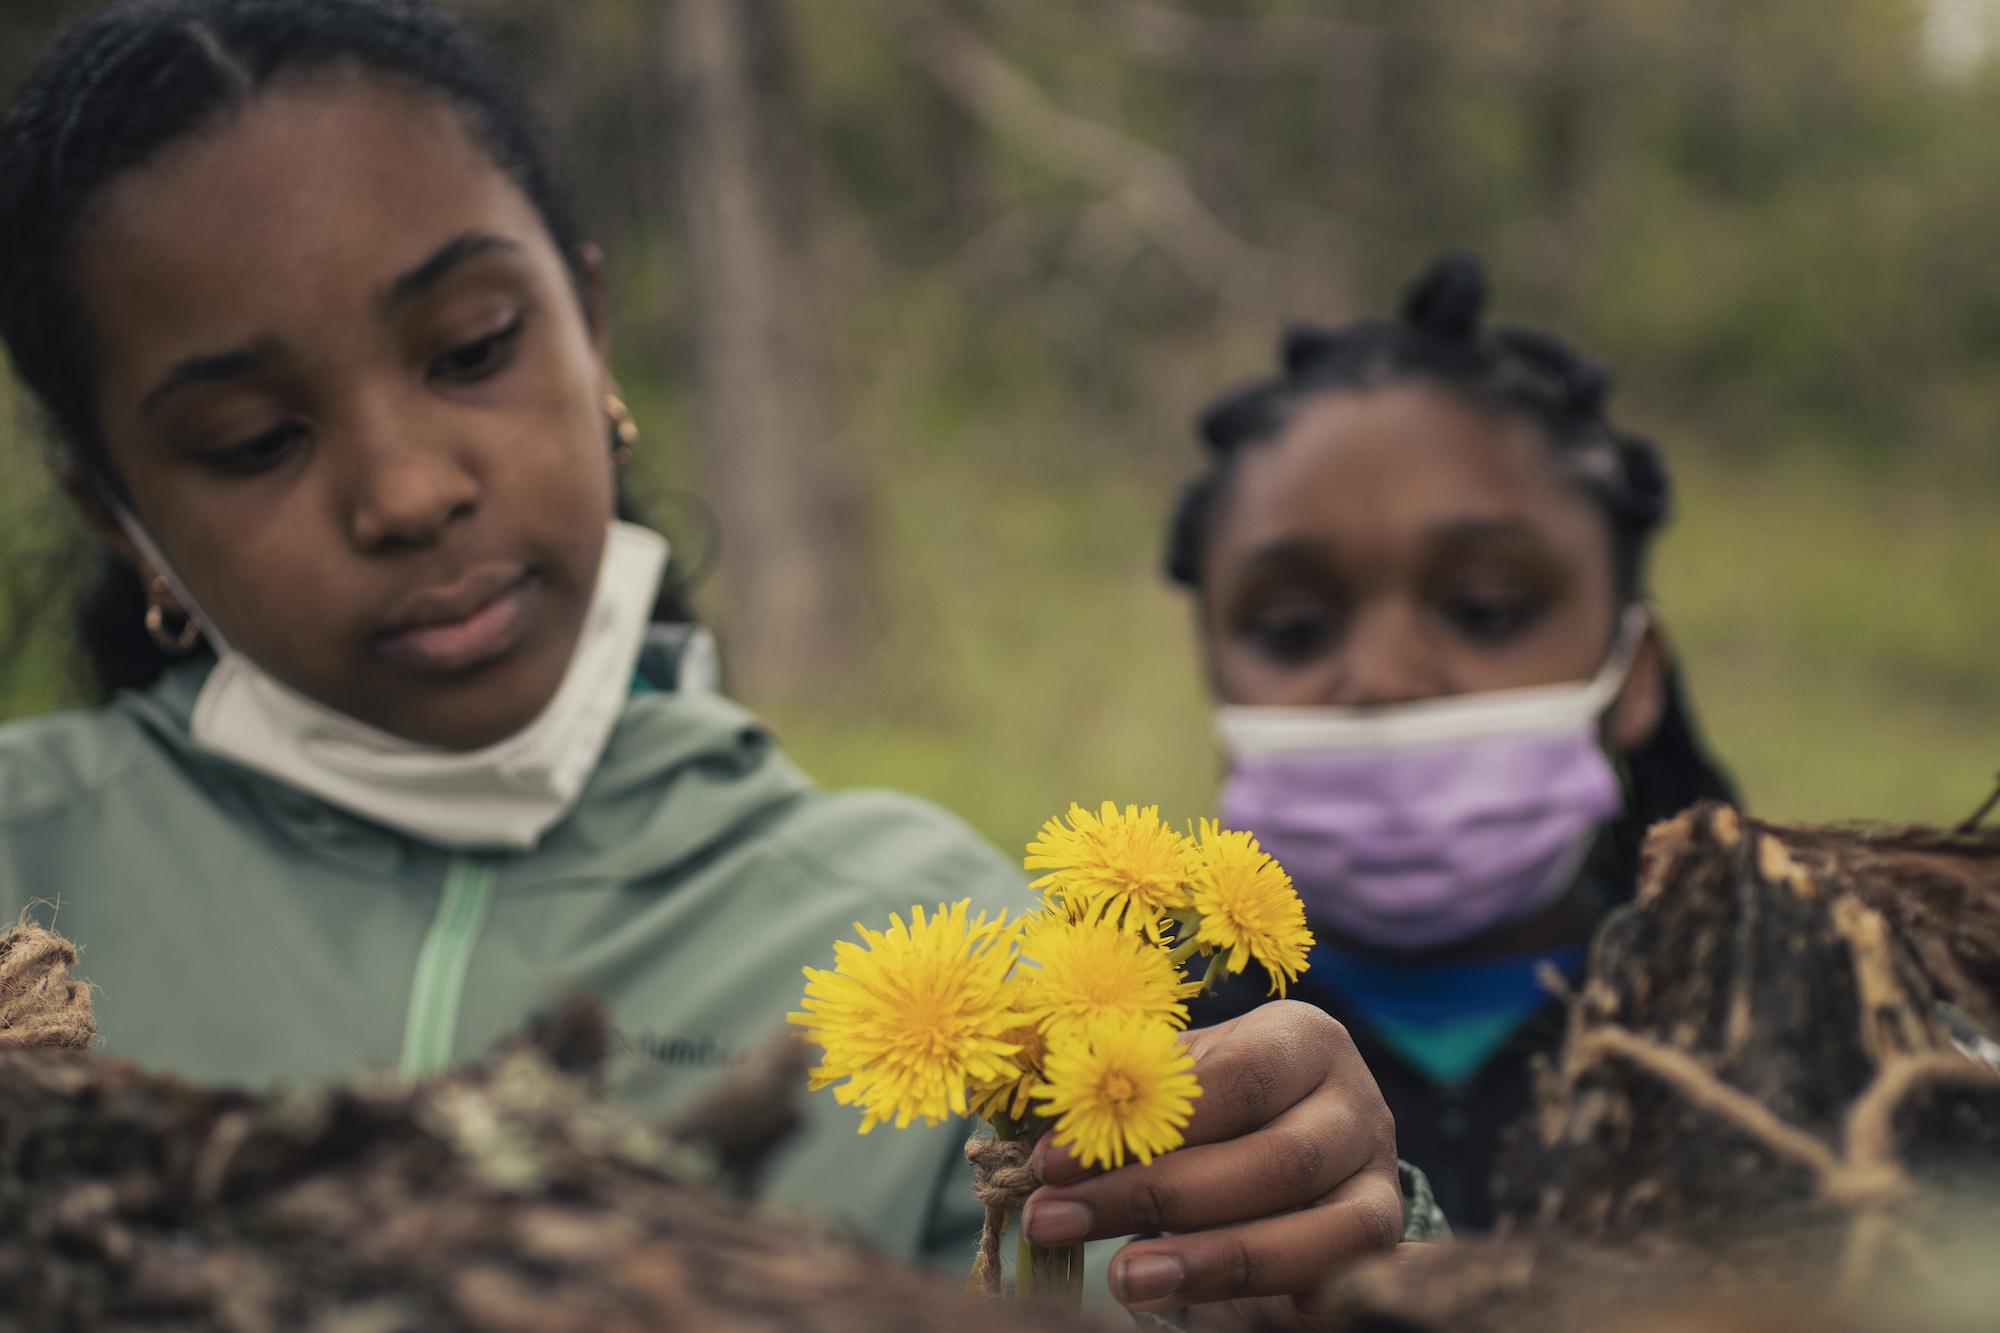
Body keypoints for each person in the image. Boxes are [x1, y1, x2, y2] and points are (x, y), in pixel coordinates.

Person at [0, 0, 1417, 1319]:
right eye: (254, 440)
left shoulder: (945, 936)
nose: (410, 491)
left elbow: (1163, 1279)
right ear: (118, 515)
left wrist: (1332, 1251)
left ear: (593, 329)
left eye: (472, 349)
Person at [1166, 254, 1737, 1230]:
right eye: (1293, 630)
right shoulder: (1129, 1072)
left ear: (1634, 676)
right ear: (1214, 676)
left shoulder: (1824, 1054)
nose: (1383, 678)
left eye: (1485, 609)